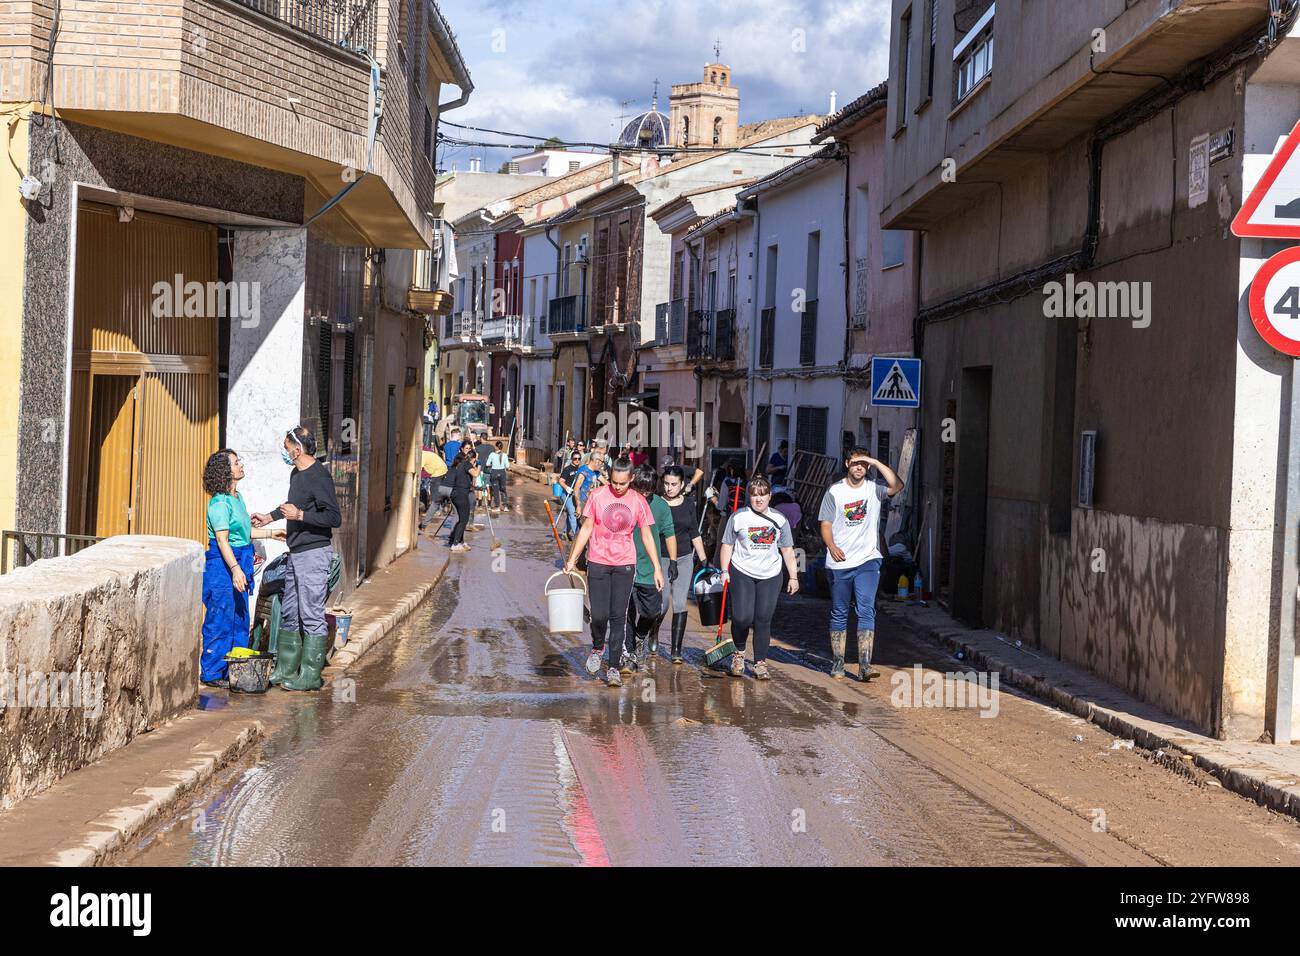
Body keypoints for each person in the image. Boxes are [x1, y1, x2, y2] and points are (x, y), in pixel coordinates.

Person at [251, 426, 341, 692]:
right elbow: (292, 505)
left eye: (286, 446)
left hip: (314, 553)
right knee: (290, 612)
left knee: (311, 614)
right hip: (296, 552)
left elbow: (333, 518)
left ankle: (310, 675)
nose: (284, 451)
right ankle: (286, 669)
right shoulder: (296, 474)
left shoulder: (319, 477)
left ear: (297, 449)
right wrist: (270, 517)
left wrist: (301, 516)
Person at [564, 457, 663, 688]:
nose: (618, 488)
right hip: (598, 561)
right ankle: (598, 647)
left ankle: (614, 668)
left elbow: (647, 535)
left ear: (631, 479)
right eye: (615, 483)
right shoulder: (597, 496)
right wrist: (572, 559)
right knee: (599, 615)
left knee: (619, 616)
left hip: (624, 564)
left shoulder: (638, 501)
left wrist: (657, 567)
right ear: (610, 478)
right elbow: (587, 528)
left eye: (623, 483)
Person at [819, 447, 903, 681]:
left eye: (863, 464)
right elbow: (825, 524)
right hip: (840, 561)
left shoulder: (874, 489)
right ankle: (838, 662)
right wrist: (832, 546)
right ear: (847, 464)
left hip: (868, 559)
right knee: (839, 611)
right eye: (855, 462)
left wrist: (875, 461)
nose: (859, 467)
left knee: (866, 609)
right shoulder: (835, 492)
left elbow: (897, 486)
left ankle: (865, 664)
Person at [200, 449, 281, 688]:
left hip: (240, 560)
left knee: (239, 617)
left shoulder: (237, 498)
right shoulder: (219, 504)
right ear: (226, 471)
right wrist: (235, 569)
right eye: (236, 463)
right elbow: (223, 540)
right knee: (220, 617)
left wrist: (272, 533)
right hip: (223, 565)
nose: (241, 465)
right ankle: (212, 672)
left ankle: (234, 670)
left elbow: (244, 533)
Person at [718, 477, 800, 680]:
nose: (758, 499)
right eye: (754, 495)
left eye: (762, 494)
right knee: (742, 617)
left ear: (770, 496)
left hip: (770, 575)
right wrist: (724, 570)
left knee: (763, 618)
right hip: (742, 570)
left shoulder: (780, 519)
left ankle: (760, 663)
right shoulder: (738, 517)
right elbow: (727, 544)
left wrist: (794, 576)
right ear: (749, 497)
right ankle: (739, 653)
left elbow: (787, 549)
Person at [626, 464, 677, 667]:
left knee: (652, 611)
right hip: (625, 564)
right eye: (640, 488)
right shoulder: (624, 502)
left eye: (648, 489)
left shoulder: (660, 506)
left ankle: (640, 635)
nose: (644, 493)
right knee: (626, 613)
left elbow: (670, 533)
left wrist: (672, 561)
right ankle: (629, 653)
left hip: (649, 569)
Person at [661, 464, 707, 664]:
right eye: (666, 483)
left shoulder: (689, 504)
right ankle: (652, 635)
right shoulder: (656, 503)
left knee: (680, 602)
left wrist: (704, 559)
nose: (669, 488)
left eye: (673, 484)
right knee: (662, 604)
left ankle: (676, 650)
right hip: (661, 558)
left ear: (682, 485)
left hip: (684, 557)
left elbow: (694, 532)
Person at [445, 446, 480, 553]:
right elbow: (476, 474)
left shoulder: (461, 464)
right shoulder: (467, 464)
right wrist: (479, 466)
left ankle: (460, 541)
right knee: (463, 520)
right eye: (475, 459)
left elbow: (468, 480)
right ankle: (455, 544)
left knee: (462, 519)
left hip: (457, 493)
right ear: (473, 458)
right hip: (460, 495)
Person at [418, 440, 449, 531]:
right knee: (438, 497)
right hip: (442, 472)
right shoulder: (427, 453)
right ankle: (444, 506)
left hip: (438, 474)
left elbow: (418, 470)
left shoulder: (422, 455)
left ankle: (424, 524)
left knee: (435, 501)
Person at [556, 451, 583, 540]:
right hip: (567, 494)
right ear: (572, 459)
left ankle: (565, 532)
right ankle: (577, 535)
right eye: (575, 459)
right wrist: (567, 488)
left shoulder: (581, 469)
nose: (577, 460)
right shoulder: (567, 469)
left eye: (579, 458)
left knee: (571, 514)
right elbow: (561, 481)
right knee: (572, 513)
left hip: (576, 494)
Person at [487, 441, 510, 511]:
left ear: (496, 447)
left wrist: (492, 464)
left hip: (494, 472)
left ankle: (497, 506)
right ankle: (505, 506)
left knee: (495, 490)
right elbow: (508, 466)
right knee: (503, 489)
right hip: (502, 472)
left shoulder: (492, 454)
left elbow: (487, 464)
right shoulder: (505, 455)